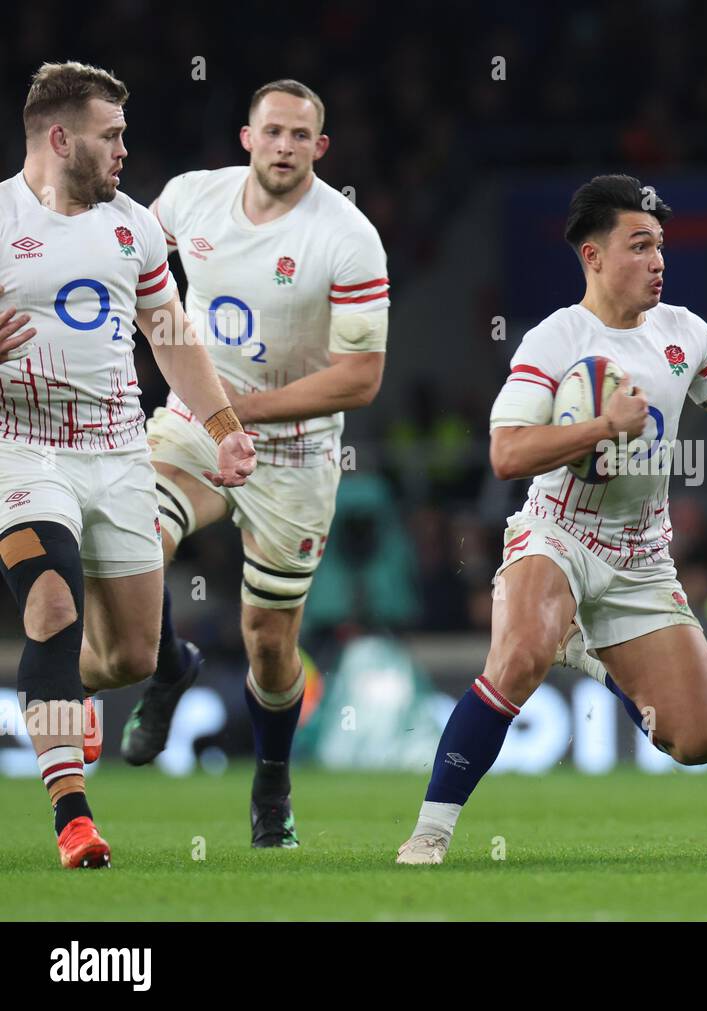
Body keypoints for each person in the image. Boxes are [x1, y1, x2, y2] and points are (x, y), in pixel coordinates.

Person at [396, 174, 707, 864]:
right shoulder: (556, 338)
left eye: (661, 245)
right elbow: (507, 452)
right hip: (558, 531)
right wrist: (601, 427)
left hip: (642, 556)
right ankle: (431, 831)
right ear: (593, 256)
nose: (658, 260)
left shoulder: (684, 332)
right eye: (640, 245)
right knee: (517, 658)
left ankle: (587, 648)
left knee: (697, 741)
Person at [115, 79, 389, 848]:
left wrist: (243, 414)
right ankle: (170, 668)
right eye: (272, 131)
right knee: (131, 539)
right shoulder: (191, 199)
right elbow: (122, 252)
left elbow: (361, 378)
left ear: (320, 147)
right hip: (195, 426)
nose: (284, 147)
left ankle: (272, 783)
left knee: (270, 642)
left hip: (294, 453)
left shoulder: (348, 235)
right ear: (246, 137)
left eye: (300, 136)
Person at [0, 62, 255, 869]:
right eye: (110, 135)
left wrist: (224, 428)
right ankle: (73, 817)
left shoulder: (135, 225)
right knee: (50, 601)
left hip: (117, 451)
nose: (123, 149)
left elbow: (171, 335)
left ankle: (74, 690)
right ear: (60, 137)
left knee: (128, 657)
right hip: (22, 445)